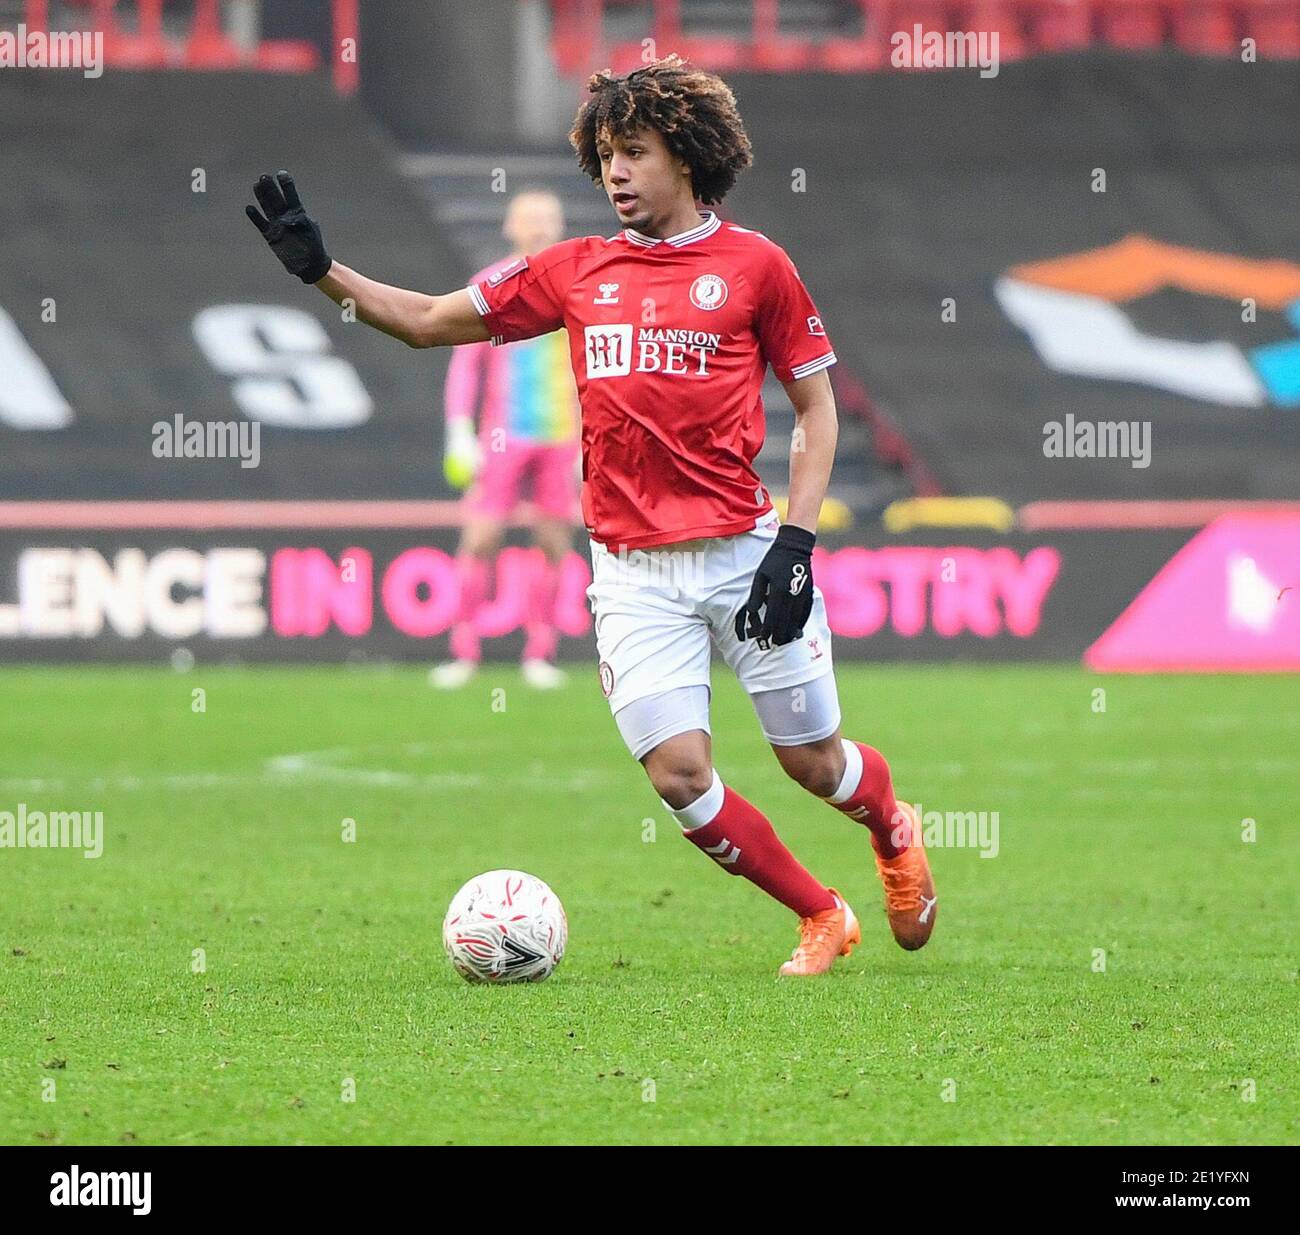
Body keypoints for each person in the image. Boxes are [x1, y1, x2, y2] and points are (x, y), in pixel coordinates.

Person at [245, 54, 937, 976]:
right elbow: (421, 321)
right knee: (679, 776)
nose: (615, 171)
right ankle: (821, 913)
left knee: (813, 762)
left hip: (744, 553)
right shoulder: (574, 271)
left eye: (636, 152)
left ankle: (890, 823)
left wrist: (798, 543)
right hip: (632, 570)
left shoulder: (757, 266)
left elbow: (816, 409)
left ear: (685, 158)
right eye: (607, 153)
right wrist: (320, 271)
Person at [433, 189, 581, 691]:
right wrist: (459, 430)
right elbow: (465, 364)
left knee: (554, 541)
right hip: (502, 436)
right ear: (509, 227)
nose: (539, 228)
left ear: (559, 226)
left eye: (547, 219)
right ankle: (464, 650)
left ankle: (540, 652)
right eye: (529, 219)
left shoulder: (578, 285)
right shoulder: (489, 285)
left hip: (561, 436)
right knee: (482, 536)